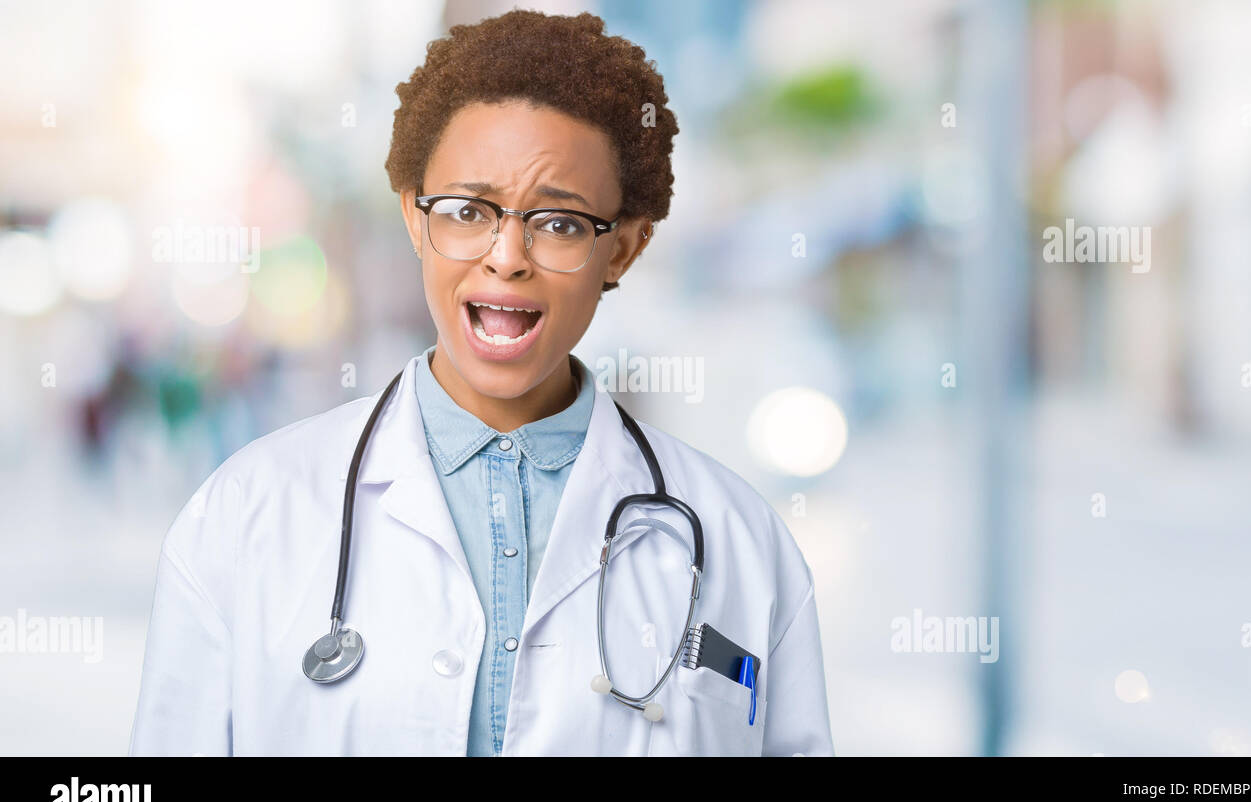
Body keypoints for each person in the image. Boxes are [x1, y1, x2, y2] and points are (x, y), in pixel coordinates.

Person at [129, 9, 833, 756]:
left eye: (559, 222)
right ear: (414, 218)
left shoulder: (743, 543)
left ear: (623, 249)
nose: (507, 256)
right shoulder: (243, 518)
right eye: (467, 211)